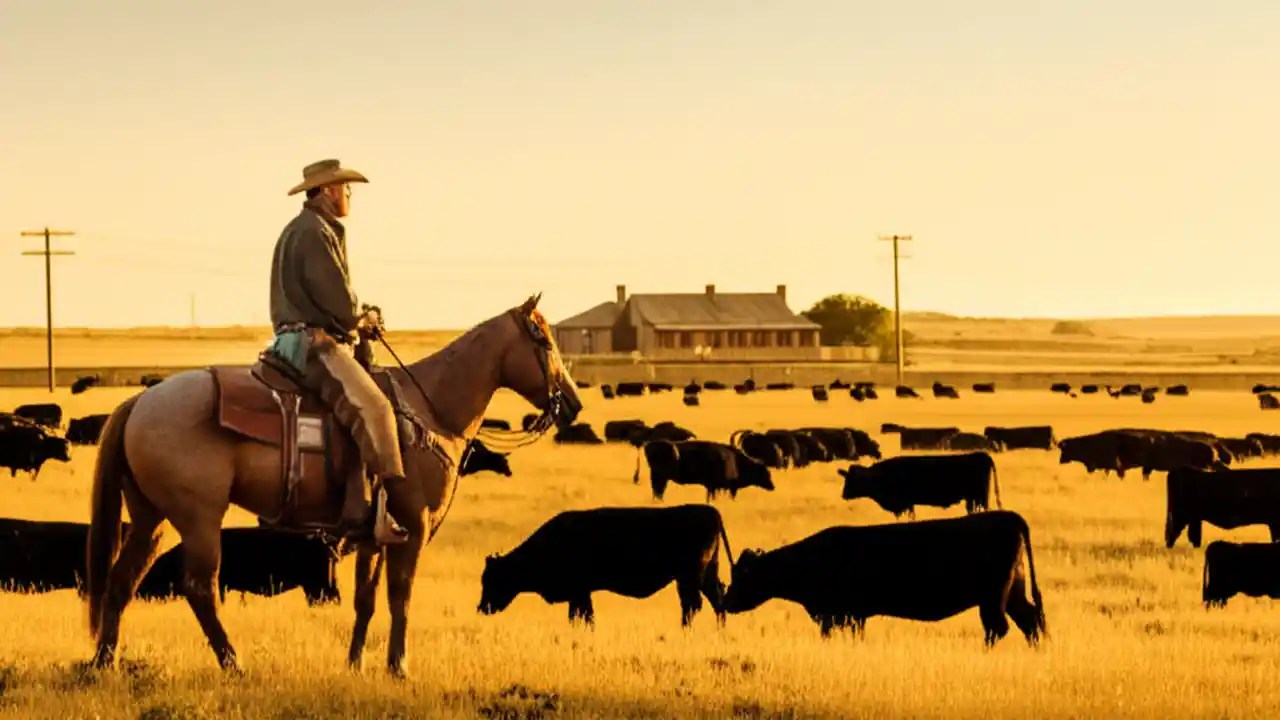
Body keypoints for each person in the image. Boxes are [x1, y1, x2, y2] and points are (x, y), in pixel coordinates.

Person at [264, 158, 409, 545]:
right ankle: (376, 511)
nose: (349, 196)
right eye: (345, 189)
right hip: (315, 344)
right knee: (375, 408)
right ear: (328, 191)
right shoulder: (314, 232)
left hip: (293, 339)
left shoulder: (305, 229)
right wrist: (363, 318)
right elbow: (339, 305)